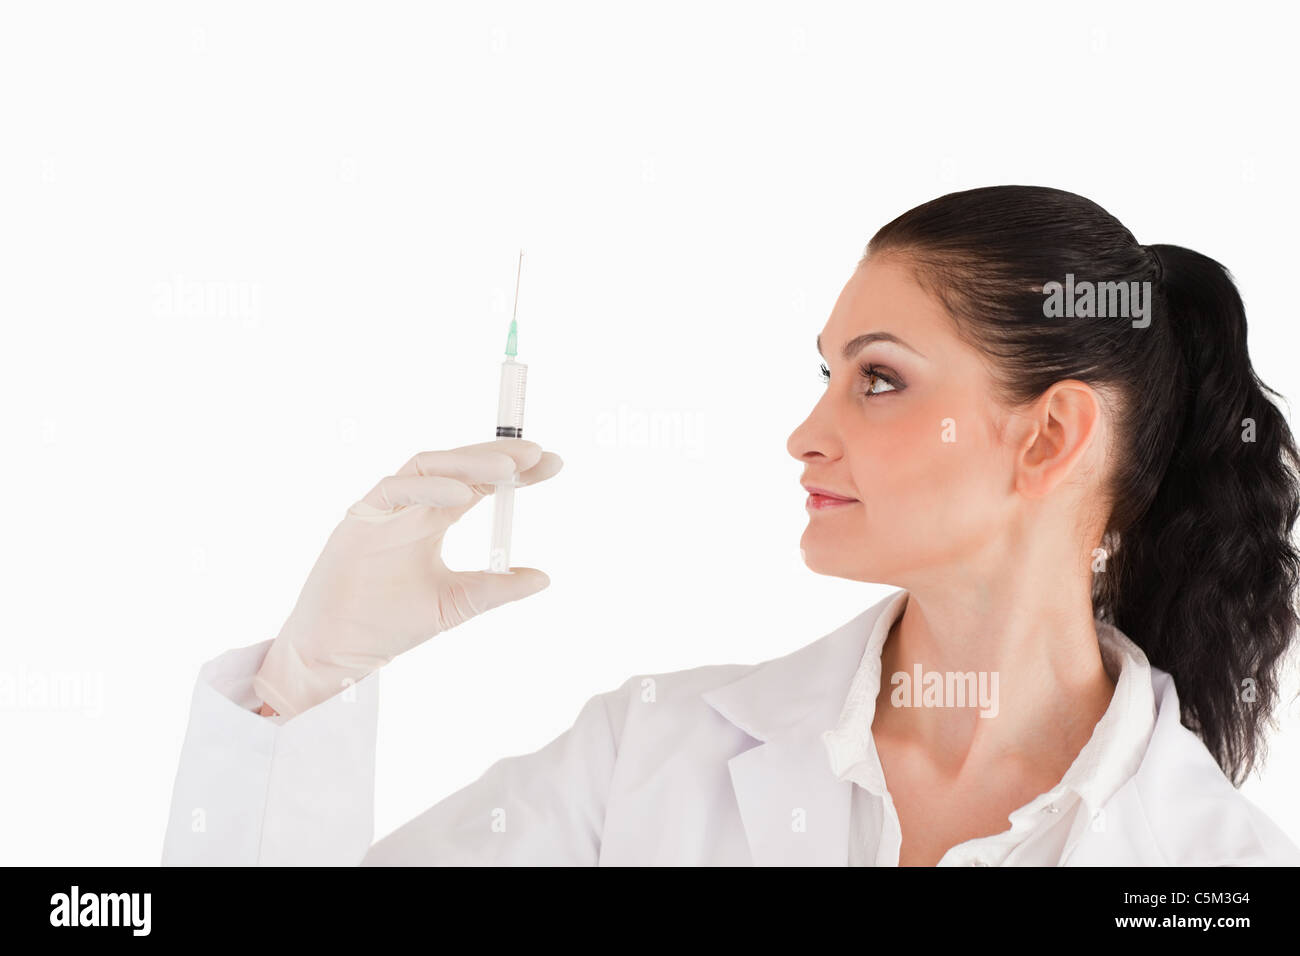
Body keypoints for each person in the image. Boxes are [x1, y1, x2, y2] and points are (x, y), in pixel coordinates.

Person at [162, 185, 1300, 866]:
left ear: (1048, 436)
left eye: (880, 379)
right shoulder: (648, 757)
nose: (805, 433)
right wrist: (298, 686)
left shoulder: (1206, 868)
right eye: (824, 373)